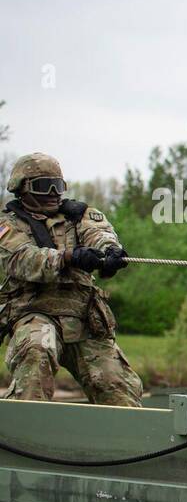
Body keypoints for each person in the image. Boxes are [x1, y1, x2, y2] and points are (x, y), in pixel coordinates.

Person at [0, 152, 141, 405]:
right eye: (45, 186)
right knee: (37, 352)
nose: (55, 192)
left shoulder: (80, 215)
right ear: (23, 188)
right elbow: (22, 260)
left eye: (59, 185)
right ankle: (22, 434)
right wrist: (69, 257)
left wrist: (110, 252)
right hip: (34, 313)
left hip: (84, 317)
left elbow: (99, 234)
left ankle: (131, 441)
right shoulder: (7, 225)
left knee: (115, 383)